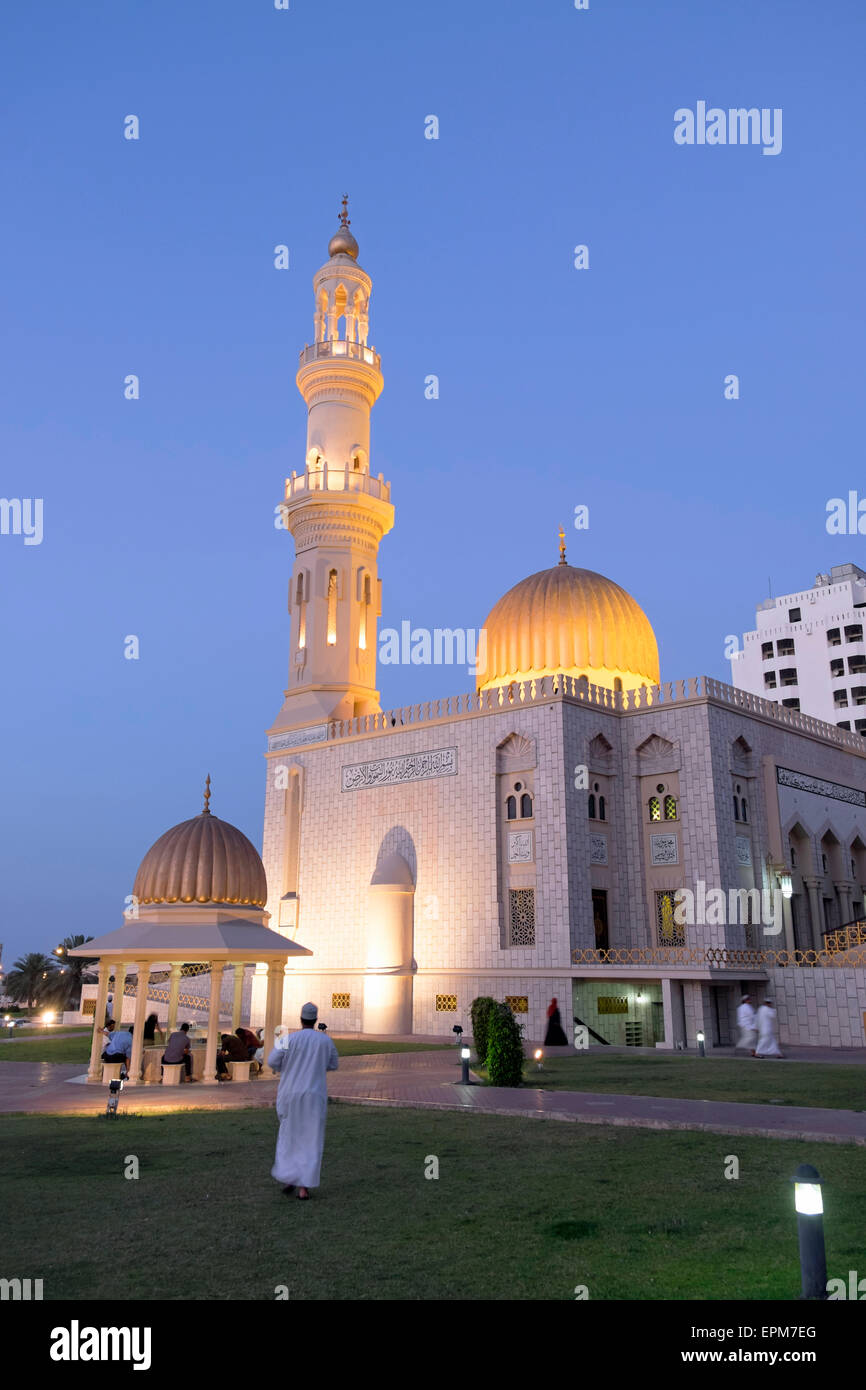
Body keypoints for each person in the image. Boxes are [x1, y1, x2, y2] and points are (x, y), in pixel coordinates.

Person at [268, 1002, 339, 1200]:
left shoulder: (288, 1038)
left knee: (289, 1135)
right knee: (311, 1138)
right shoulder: (325, 1041)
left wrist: (288, 1066)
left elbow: (272, 1061)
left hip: (290, 1093)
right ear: (315, 1020)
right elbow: (333, 1064)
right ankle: (303, 1187)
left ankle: (290, 1177)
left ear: (301, 1019)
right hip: (313, 1095)